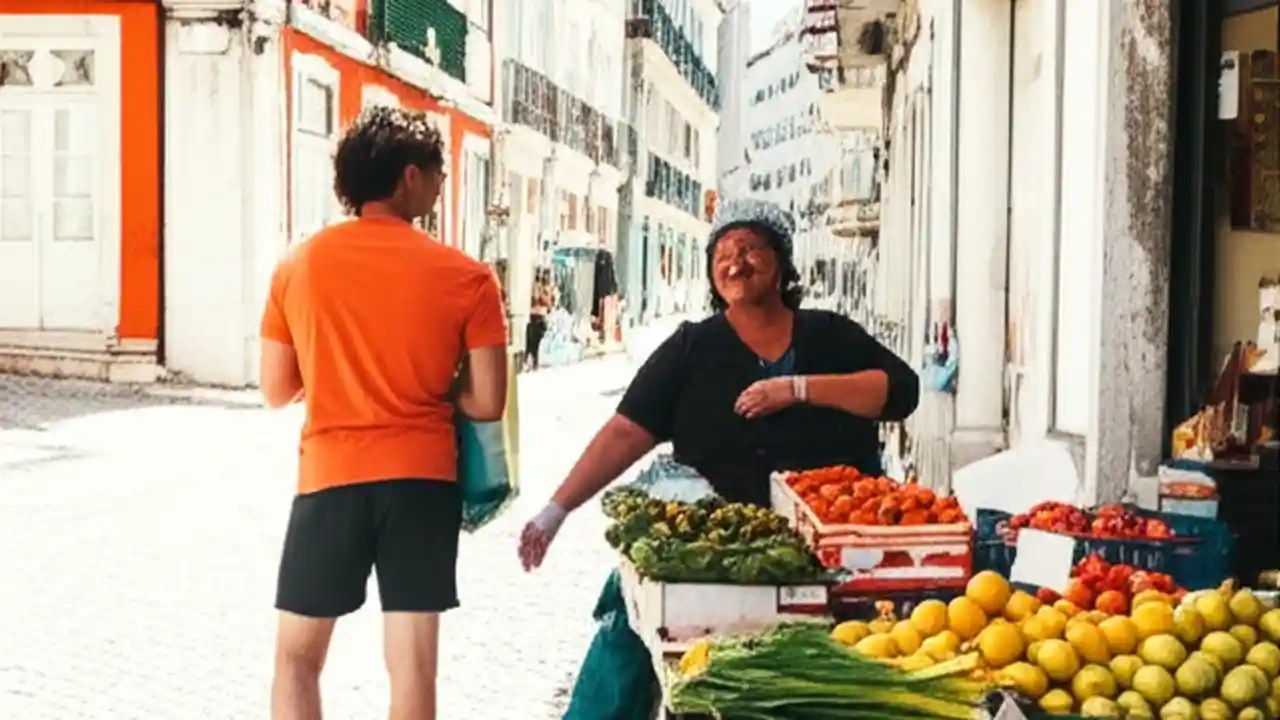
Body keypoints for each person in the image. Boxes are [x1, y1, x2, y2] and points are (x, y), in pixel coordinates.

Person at [517, 197, 920, 718]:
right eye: (723, 253)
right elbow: (624, 432)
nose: (736, 262)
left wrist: (796, 389)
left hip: (832, 551)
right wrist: (555, 510)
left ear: (782, 264)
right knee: (630, 633)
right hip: (719, 560)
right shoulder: (691, 349)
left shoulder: (829, 335)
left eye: (751, 248)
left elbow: (899, 392)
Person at [258, 107, 508, 720]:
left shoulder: (298, 266)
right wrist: (431, 390)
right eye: (436, 173)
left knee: (296, 659)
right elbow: (488, 401)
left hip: (329, 479)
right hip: (422, 481)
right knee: (412, 667)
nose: (442, 184)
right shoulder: (469, 278)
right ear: (407, 180)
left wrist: (340, 370)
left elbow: (275, 388)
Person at [526, 269, 555, 372]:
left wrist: (543, 295)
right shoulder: (536, 288)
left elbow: (549, 305)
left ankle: (535, 361)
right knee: (531, 342)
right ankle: (531, 361)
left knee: (536, 342)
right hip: (534, 317)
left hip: (540, 318)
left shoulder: (547, 290)